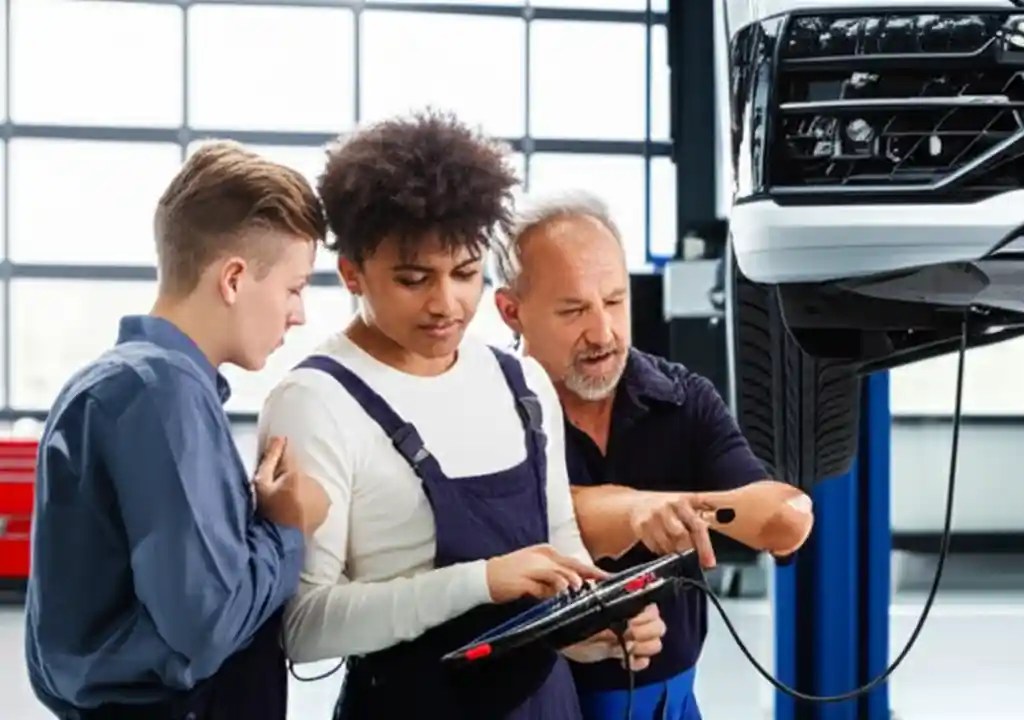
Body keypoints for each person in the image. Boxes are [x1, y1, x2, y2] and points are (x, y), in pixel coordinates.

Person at [256, 109, 666, 720]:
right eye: (413, 278)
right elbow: (305, 625)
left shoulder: (519, 379)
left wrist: (593, 626)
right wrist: (481, 581)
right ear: (352, 274)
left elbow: (560, 554)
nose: (447, 304)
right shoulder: (315, 402)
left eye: (467, 273)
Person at [24, 141, 334, 720]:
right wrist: (286, 529)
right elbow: (206, 624)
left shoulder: (116, 383)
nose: (300, 313)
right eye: (294, 287)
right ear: (235, 279)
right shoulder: (160, 393)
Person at [493, 190, 816, 720]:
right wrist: (636, 514)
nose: (602, 333)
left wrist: (678, 510)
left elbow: (780, 518)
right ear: (511, 310)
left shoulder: (681, 397)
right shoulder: (485, 412)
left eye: (615, 301)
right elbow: (512, 532)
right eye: (573, 310)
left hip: (673, 702)